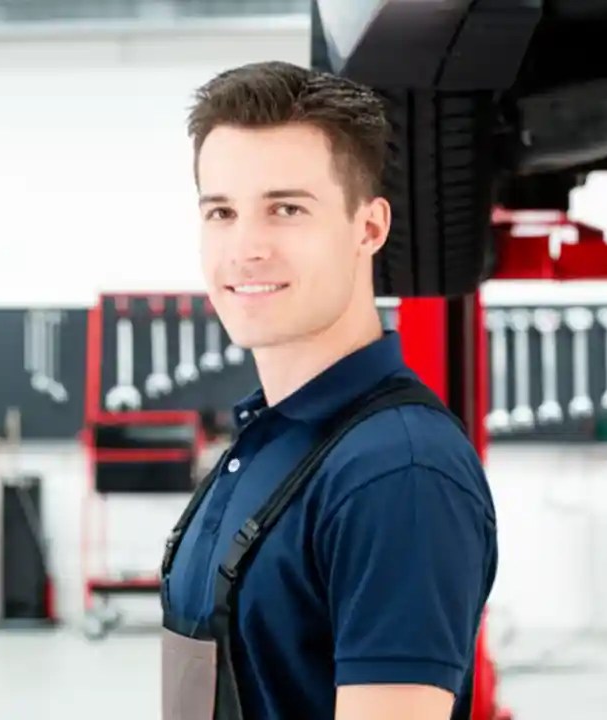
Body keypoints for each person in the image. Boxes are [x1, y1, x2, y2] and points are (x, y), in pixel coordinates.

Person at [159, 61, 499, 720]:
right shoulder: (270, 441)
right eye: (222, 212)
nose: (245, 247)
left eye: (286, 209)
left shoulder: (398, 473)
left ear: (368, 228)